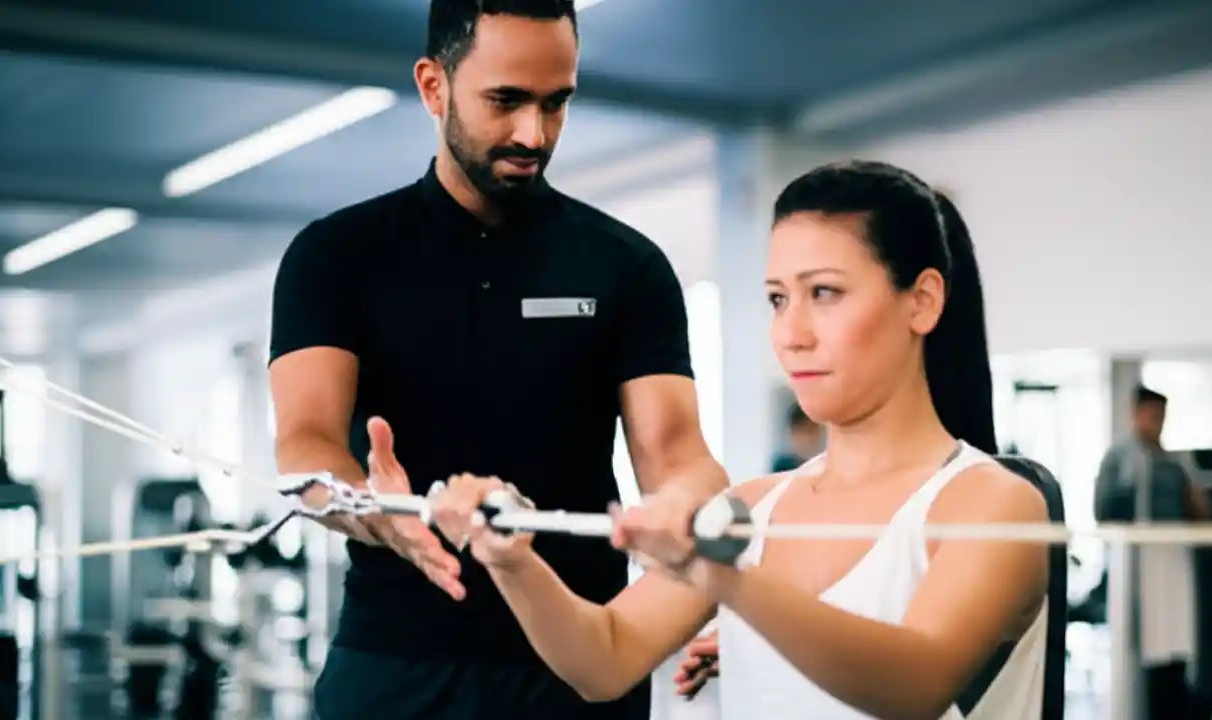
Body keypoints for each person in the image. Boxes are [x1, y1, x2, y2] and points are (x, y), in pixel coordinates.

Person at [430, 160, 1052, 719]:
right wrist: (511, 561)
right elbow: (606, 660)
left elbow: (914, 685)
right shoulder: (753, 507)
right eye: (779, 300)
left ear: (921, 301)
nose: (791, 333)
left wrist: (726, 584)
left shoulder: (993, 503)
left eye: (825, 293)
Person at [266, 1, 727, 717]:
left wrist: (698, 543)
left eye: (556, 103)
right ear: (433, 86)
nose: (532, 134)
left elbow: (676, 456)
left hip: (578, 666)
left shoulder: (625, 266)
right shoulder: (335, 257)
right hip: (397, 666)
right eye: (506, 100)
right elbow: (305, 443)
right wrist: (376, 510)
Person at [1094, 385, 1209, 719]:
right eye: (1151, 414)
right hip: (1138, 564)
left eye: (1161, 416)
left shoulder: (1174, 463)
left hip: (1172, 560)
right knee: (1143, 647)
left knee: (1174, 645)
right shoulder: (1120, 460)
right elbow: (1104, 511)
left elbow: (1198, 513)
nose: (1156, 422)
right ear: (1135, 413)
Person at [771, 402, 827, 472]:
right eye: (805, 431)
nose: (808, 438)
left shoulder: (824, 463)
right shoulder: (783, 465)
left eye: (811, 431)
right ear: (794, 431)